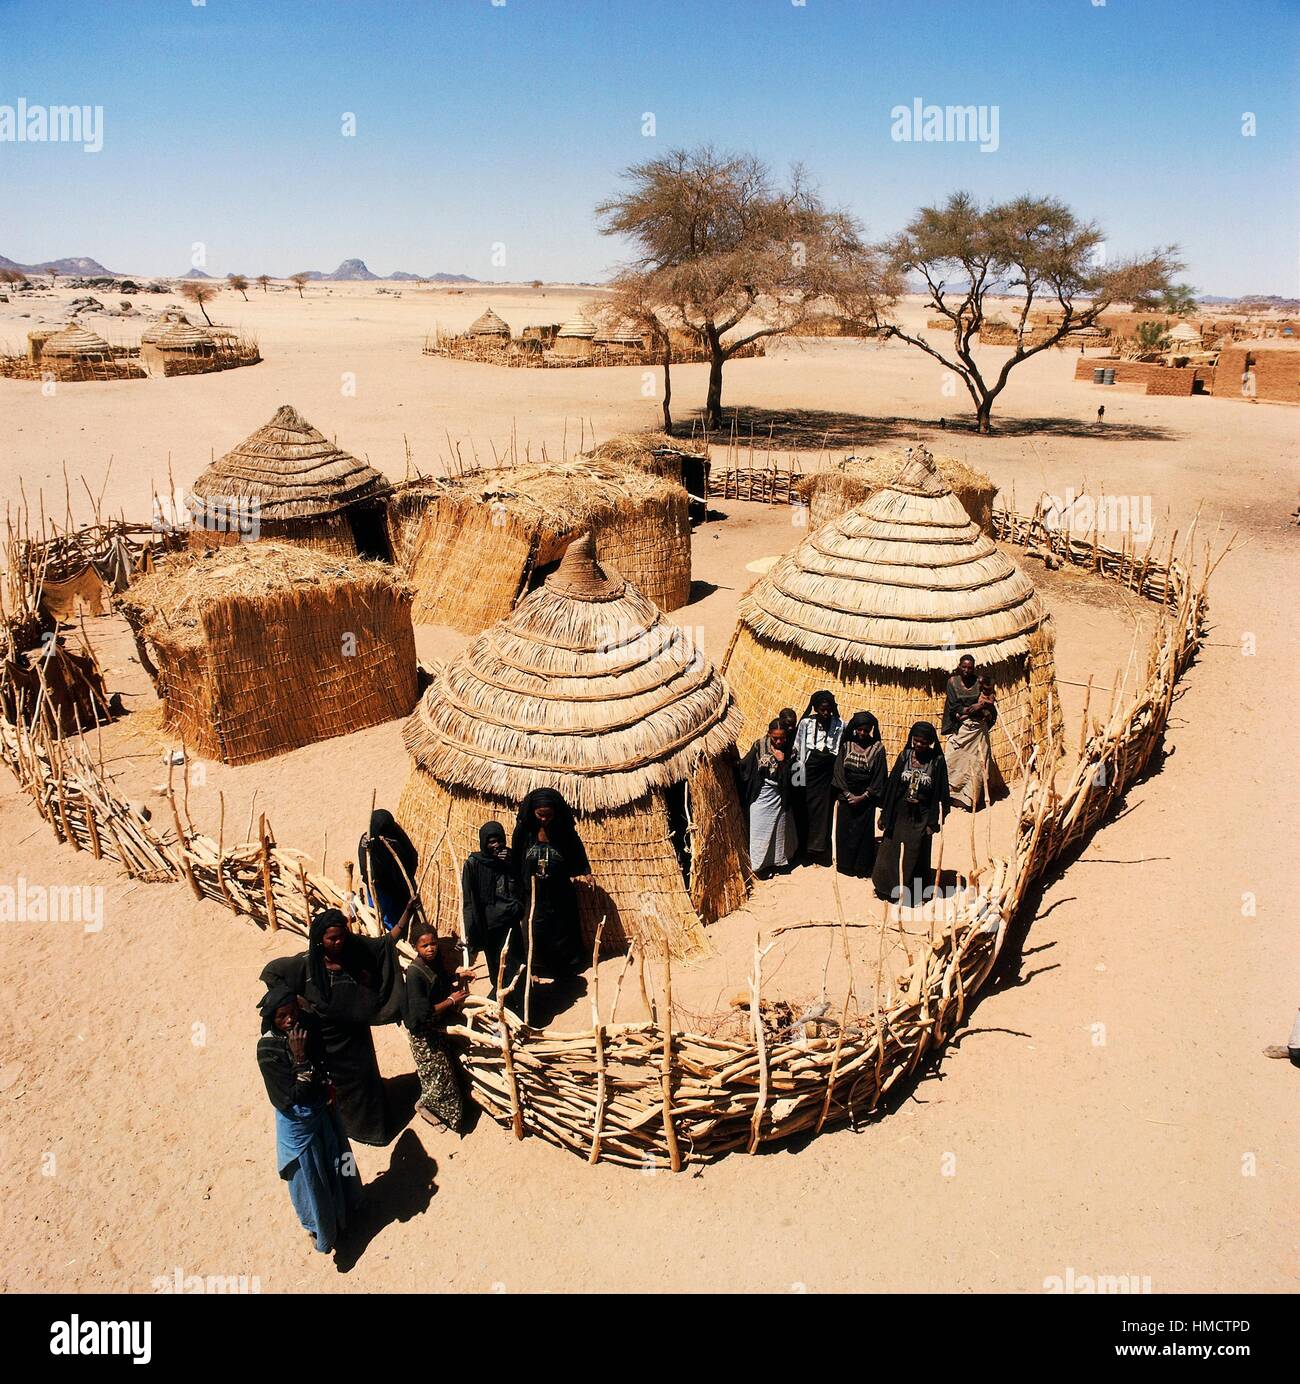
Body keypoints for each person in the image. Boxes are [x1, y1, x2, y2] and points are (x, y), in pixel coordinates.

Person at [260, 909, 401, 1146]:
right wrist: (297, 1000)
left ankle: (377, 1132)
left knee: (366, 1081)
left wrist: (404, 916)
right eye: (332, 938)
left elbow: (382, 945)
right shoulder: (306, 964)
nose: (338, 942)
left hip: (356, 1036)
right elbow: (271, 972)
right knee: (341, 1087)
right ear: (320, 939)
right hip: (329, 1042)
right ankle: (351, 1128)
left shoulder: (352, 951)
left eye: (341, 936)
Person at [256, 984, 362, 1255]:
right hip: (298, 1125)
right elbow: (289, 1097)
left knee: (338, 1159)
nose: (289, 1020)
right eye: (281, 1016)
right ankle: (320, 1229)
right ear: (272, 1018)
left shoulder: (306, 1027)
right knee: (309, 1179)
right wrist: (300, 1058)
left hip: (322, 1110)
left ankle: (346, 1212)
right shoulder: (268, 1049)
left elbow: (324, 1060)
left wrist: (326, 1085)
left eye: (292, 1012)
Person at [511, 788, 590, 981]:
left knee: (561, 926)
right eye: (540, 815)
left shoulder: (563, 829)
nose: (544, 819)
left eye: (548, 815)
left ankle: (565, 965)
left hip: (559, 888)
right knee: (534, 925)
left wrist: (586, 871)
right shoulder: (524, 830)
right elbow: (516, 857)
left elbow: (576, 849)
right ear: (532, 811)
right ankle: (536, 965)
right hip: (533, 889)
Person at [872, 722, 950, 907]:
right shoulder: (905, 756)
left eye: (923, 742)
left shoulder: (937, 761)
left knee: (916, 853)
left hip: (921, 816)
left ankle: (913, 894)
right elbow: (892, 786)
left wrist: (932, 822)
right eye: (916, 741)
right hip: (900, 813)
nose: (919, 745)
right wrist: (885, 814)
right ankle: (886, 888)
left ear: (930, 742)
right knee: (891, 850)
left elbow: (939, 793)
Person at [403, 920, 471, 1132]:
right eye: (424, 945)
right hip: (423, 1033)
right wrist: (451, 1001)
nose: (430, 948)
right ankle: (431, 1108)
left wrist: (459, 975)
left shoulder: (434, 961)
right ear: (415, 946)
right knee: (439, 1078)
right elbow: (422, 1013)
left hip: (436, 1027)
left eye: (433, 943)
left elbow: (440, 980)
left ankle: (446, 1111)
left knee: (443, 1074)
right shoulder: (414, 973)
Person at [461, 820, 527, 1015]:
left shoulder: (510, 858)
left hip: (510, 922)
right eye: (491, 842)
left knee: (516, 966)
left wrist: (509, 864)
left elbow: (521, 884)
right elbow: (469, 901)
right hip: (489, 927)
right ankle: (504, 1007)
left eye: (498, 841)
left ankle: (520, 1008)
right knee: (497, 967)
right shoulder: (474, 864)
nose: (496, 845)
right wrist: (471, 932)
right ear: (484, 843)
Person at [737, 719, 797, 879]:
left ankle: (777, 862)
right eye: (775, 738)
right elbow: (746, 765)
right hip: (761, 794)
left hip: (780, 795)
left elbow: (794, 778)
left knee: (779, 831)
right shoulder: (760, 745)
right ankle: (759, 866)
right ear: (769, 734)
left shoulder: (792, 750)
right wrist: (734, 763)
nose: (779, 741)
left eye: (782, 738)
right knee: (759, 831)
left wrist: (782, 761)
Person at [831, 711, 888, 877]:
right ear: (854, 729)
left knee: (863, 833)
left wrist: (863, 797)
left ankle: (861, 866)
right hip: (846, 796)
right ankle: (844, 865)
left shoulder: (878, 749)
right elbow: (839, 771)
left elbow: (879, 776)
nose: (862, 733)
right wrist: (848, 795)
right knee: (845, 831)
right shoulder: (846, 745)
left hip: (866, 798)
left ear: (871, 730)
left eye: (866, 730)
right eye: (859, 730)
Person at [792, 691, 843, 864]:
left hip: (827, 773)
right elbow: (799, 749)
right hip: (809, 772)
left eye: (828, 710)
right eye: (822, 710)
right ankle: (804, 850)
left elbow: (838, 749)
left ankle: (820, 851)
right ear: (815, 708)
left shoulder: (839, 724)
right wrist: (798, 780)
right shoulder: (806, 723)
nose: (826, 713)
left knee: (824, 812)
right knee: (805, 809)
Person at [943, 661, 998, 811]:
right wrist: (967, 712)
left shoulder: (979, 681)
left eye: (970, 668)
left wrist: (980, 705)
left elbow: (991, 697)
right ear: (959, 667)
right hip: (961, 729)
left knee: (977, 763)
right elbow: (954, 706)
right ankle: (949, 795)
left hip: (978, 729)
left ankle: (969, 799)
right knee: (952, 759)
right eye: (964, 667)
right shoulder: (952, 682)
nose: (966, 670)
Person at [357, 809, 419, 934]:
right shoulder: (368, 840)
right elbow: (367, 868)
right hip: (380, 888)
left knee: (404, 914)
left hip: (400, 886)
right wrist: (373, 849)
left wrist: (394, 848)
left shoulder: (396, 834)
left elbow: (411, 857)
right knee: (383, 917)